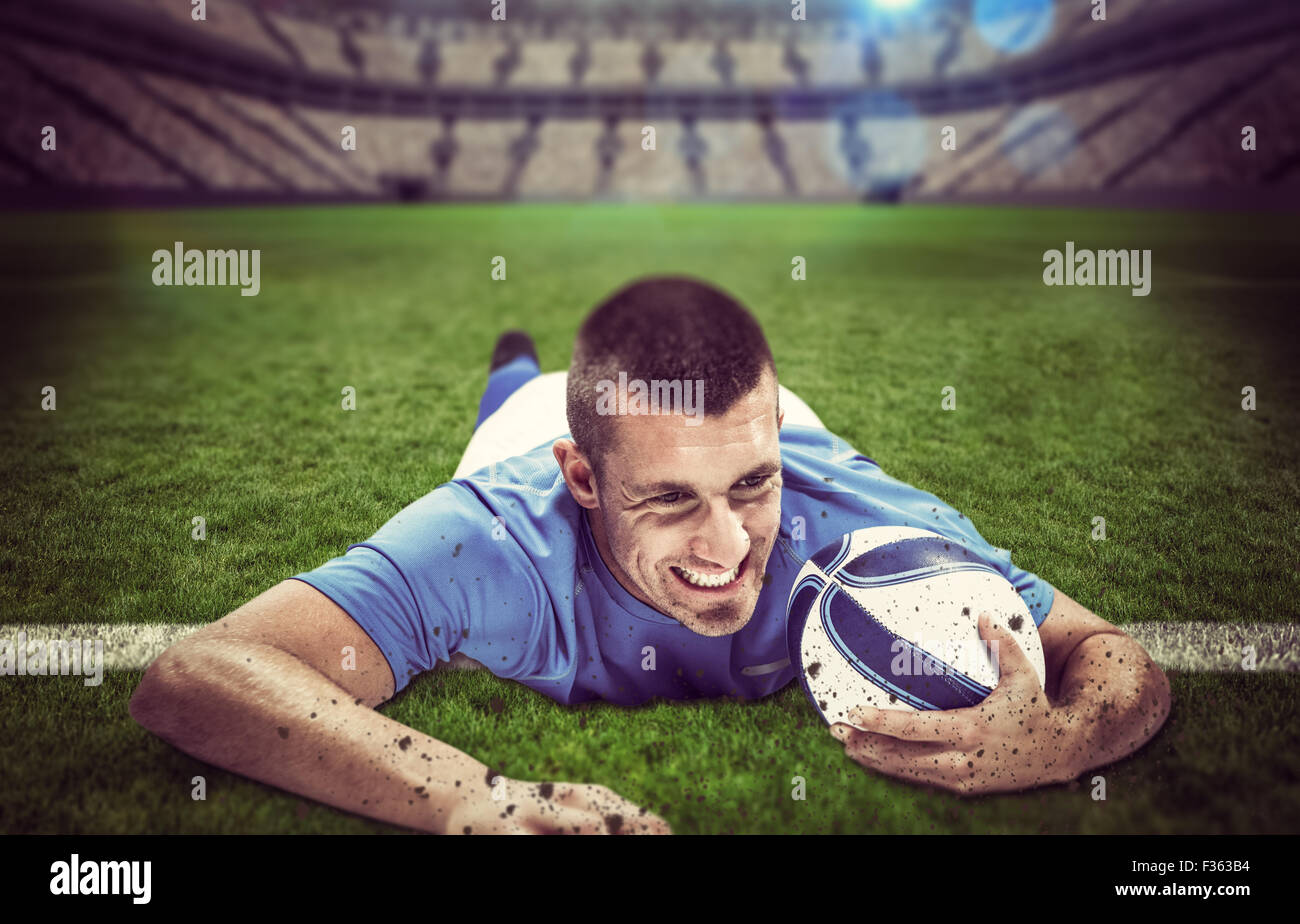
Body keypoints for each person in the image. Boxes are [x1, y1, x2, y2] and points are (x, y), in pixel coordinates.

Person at [128, 275, 1170, 834]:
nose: (726, 547)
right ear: (583, 480)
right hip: (528, 423)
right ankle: (513, 366)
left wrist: (1072, 734)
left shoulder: (864, 522)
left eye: (748, 490)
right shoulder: (489, 539)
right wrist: (466, 793)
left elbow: (1109, 654)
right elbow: (195, 676)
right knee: (510, 394)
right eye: (671, 501)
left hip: (772, 427)